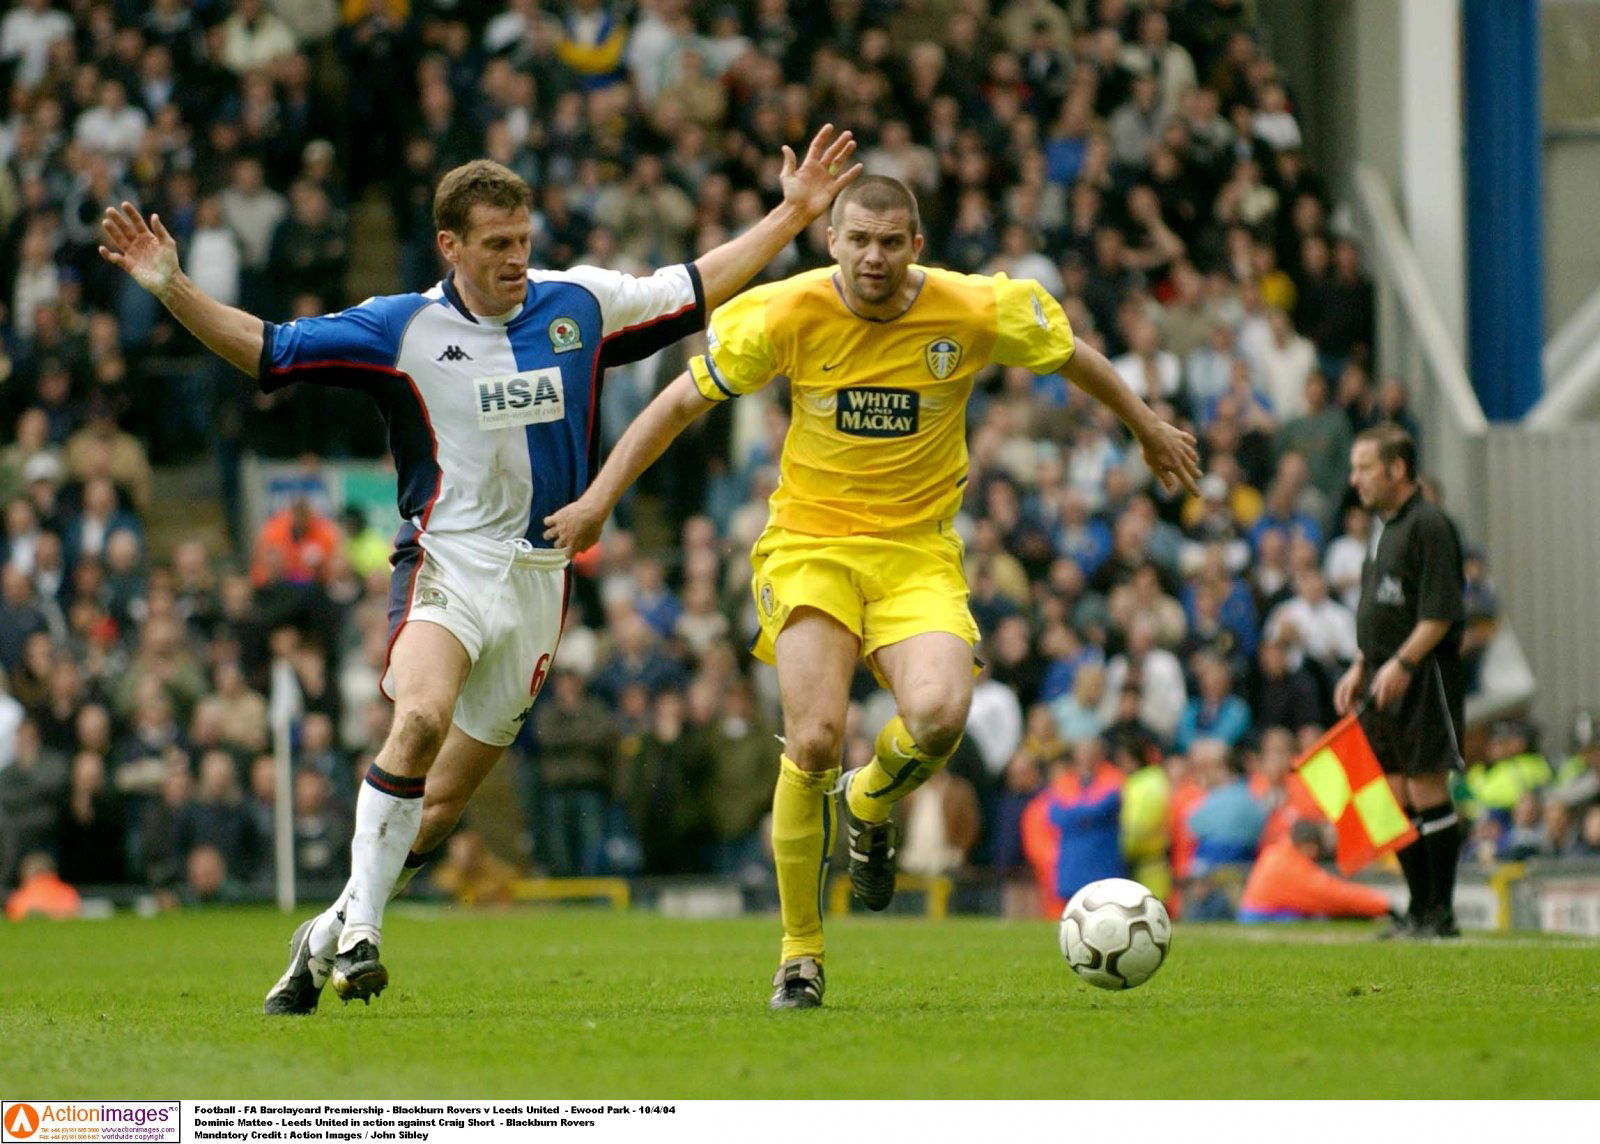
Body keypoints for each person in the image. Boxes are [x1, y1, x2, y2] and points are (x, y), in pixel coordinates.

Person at [100, 127, 863, 1014]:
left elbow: (696, 285)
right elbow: (266, 348)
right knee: (417, 718)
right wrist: (172, 287)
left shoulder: (577, 304)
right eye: (496, 244)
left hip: (539, 583)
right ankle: (364, 938)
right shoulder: (401, 326)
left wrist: (795, 212)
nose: (515, 259)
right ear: (449, 245)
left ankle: (328, 931)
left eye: (523, 241)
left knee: (443, 805)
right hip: (445, 561)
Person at [546, 174, 1201, 1009]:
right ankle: (800, 955)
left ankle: (869, 800)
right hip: (811, 548)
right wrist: (601, 499)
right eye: (859, 239)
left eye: (892, 241)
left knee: (938, 717)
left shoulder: (973, 309)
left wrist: (1145, 425)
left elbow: (1074, 359)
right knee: (813, 738)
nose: (874, 257)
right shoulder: (788, 312)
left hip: (916, 554)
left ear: (916, 246)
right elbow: (678, 403)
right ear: (833, 242)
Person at [1334, 425, 1467, 939]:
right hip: (1381, 678)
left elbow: (1440, 612)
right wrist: (1362, 663)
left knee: (1425, 784)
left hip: (1422, 676)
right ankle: (1419, 910)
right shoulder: (1383, 526)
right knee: (1391, 794)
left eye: (1365, 467)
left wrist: (1403, 664)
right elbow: (1382, 607)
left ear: (1397, 469)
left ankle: (1442, 914)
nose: (1356, 479)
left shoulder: (1430, 525)